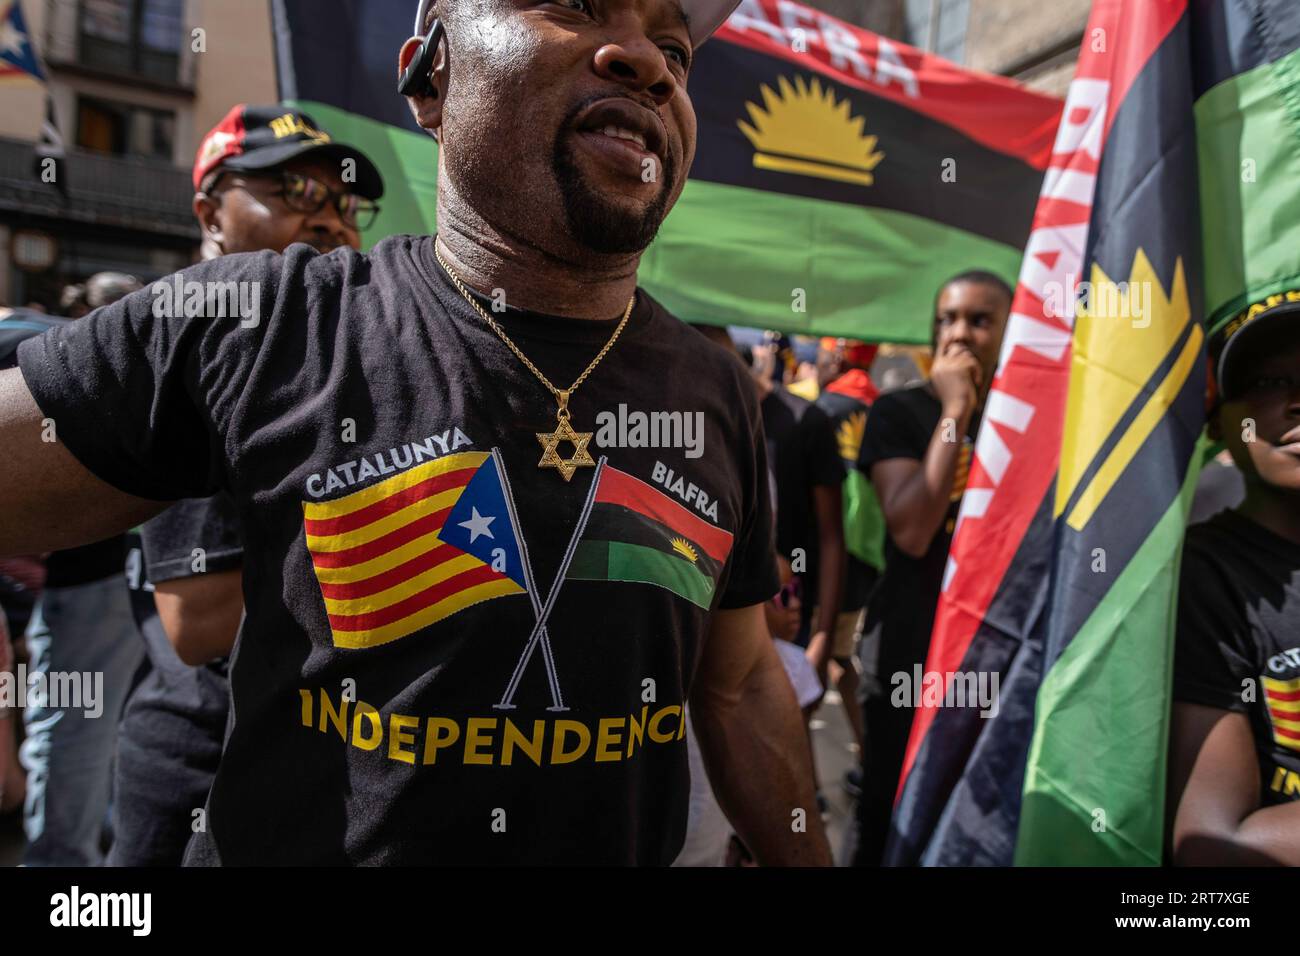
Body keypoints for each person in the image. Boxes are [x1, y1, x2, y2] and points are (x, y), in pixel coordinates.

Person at [0, 0, 829, 865]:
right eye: (572, 6)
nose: (648, 63)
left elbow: (735, 684)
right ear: (432, 77)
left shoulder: (718, 391)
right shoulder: (260, 324)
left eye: (675, 48)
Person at [108, 104, 385, 867]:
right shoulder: (207, 347)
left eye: (344, 201)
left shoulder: (310, 352)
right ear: (210, 211)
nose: (330, 220)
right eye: (296, 190)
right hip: (199, 771)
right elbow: (193, 620)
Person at [852, 270, 1011, 865]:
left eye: (979, 319)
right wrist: (956, 409)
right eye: (946, 319)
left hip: (994, 655)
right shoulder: (899, 412)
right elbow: (914, 531)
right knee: (890, 809)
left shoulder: (1029, 422)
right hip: (908, 653)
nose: (959, 333)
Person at [1166, 292, 1300, 865]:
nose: (1297, 401)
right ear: (1223, 421)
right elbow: (1216, 845)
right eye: (1269, 383)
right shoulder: (1204, 578)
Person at [17, 273, 145, 866]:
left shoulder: (41, 347)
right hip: (121, 573)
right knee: (99, 726)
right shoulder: (50, 348)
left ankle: (62, 865)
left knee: (75, 728)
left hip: (97, 576)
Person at [815, 339, 885, 792]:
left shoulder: (821, 409)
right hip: (872, 558)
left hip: (826, 560)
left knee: (818, 661)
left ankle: (809, 787)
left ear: (838, 356)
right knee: (841, 657)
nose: (817, 363)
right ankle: (872, 761)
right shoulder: (882, 407)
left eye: (822, 354)